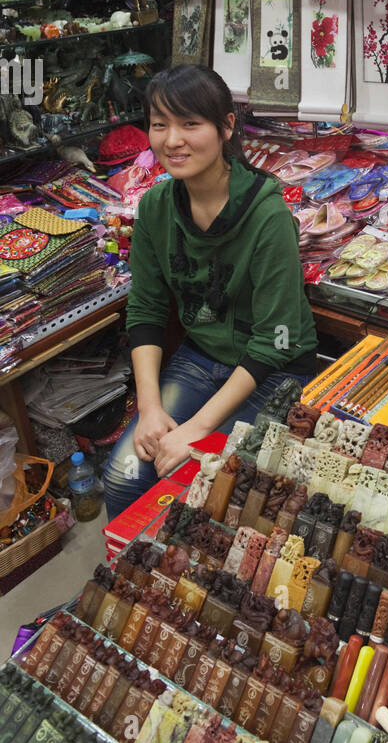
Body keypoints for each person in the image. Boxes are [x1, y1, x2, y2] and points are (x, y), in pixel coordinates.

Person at [102, 64, 318, 521]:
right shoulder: (157, 206)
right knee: (124, 476)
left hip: (274, 368)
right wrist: (149, 408)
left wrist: (196, 431)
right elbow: (145, 307)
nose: (172, 140)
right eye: (159, 125)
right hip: (201, 359)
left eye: (190, 123)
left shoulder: (266, 214)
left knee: (212, 486)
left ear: (226, 127)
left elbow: (272, 341)